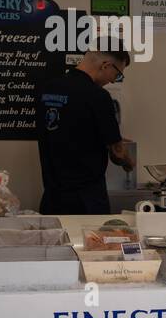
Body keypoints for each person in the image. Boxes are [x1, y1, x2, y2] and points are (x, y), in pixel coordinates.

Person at [36, 49, 135, 215]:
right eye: (117, 75)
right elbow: (117, 153)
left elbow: (66, 130)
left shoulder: (48, 89)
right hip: (87, 202)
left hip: (52, 198)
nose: (112, 81)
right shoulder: (98, 96)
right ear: (106, 65)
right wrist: (128, 163)